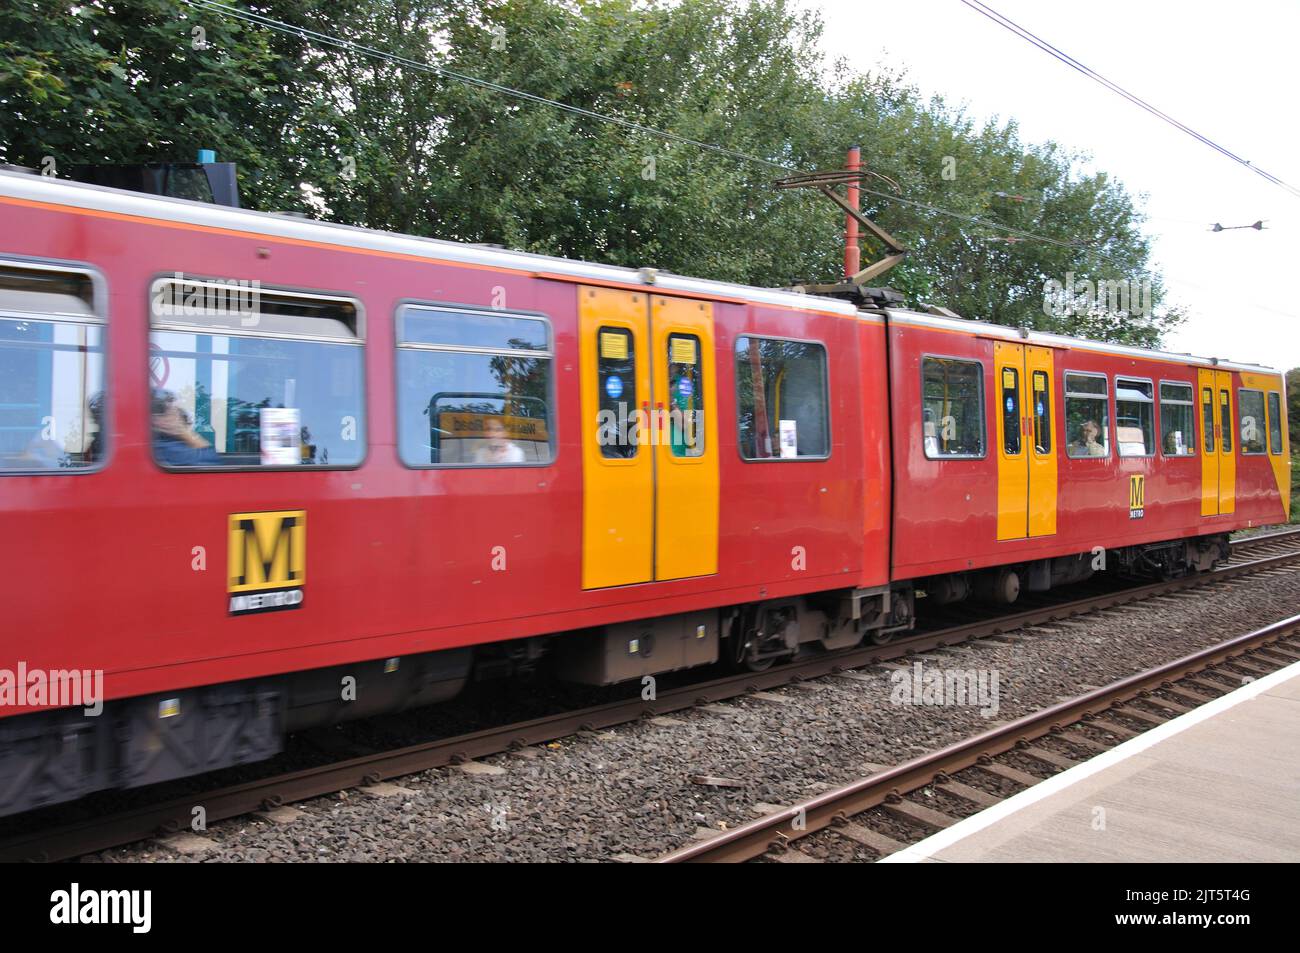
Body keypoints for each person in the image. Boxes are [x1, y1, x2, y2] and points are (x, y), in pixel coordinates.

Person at [152, 389, 222, 465]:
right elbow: (211, 461)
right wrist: (184, 432)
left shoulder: (162, 443)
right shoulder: (167, 448)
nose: (176, 414)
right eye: (166, 411)